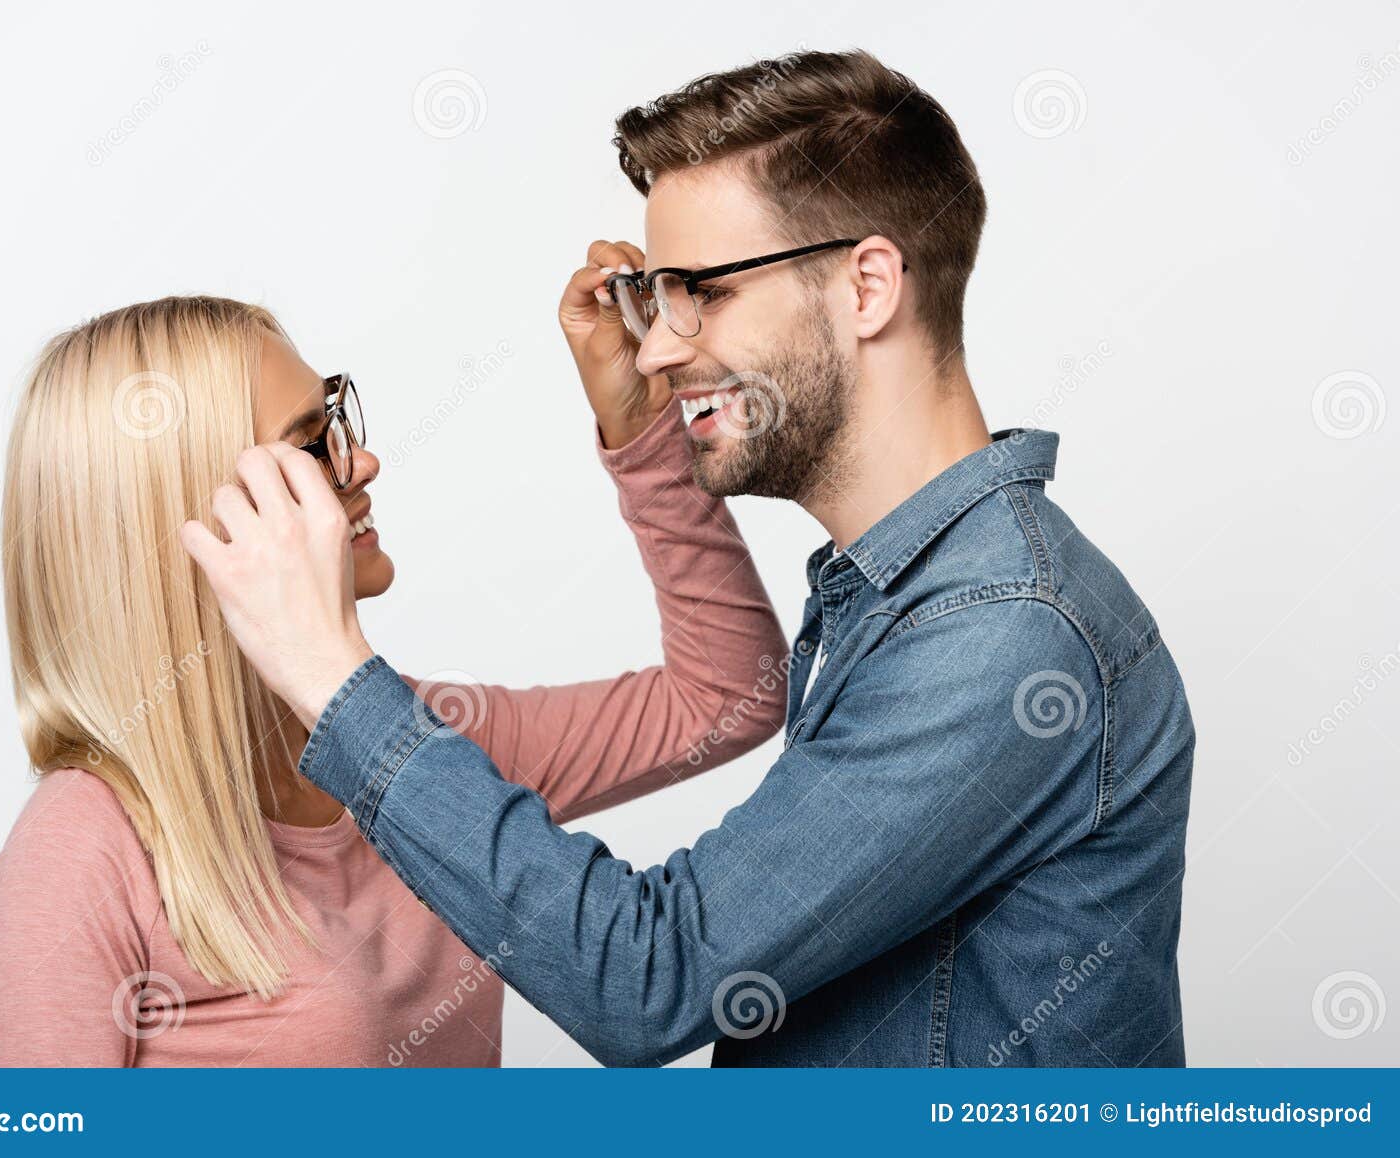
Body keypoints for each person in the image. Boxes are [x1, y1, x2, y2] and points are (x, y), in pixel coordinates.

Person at [185, 49, 1197, 1067]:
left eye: (700, 294)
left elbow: (646, 980)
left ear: (867, 287)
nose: (659, 349)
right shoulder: (908, 592)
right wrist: (645, 433)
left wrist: (331, 676)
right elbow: (728, 700)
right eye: (654, 298)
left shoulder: (999, 632)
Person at [0, 293, 786, 1065]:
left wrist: (644, 435)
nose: (360, 461)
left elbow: (725, 696)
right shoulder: (80, 853)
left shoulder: (425, 747)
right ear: (188, 522)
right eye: (308, 449)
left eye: (335, 419)